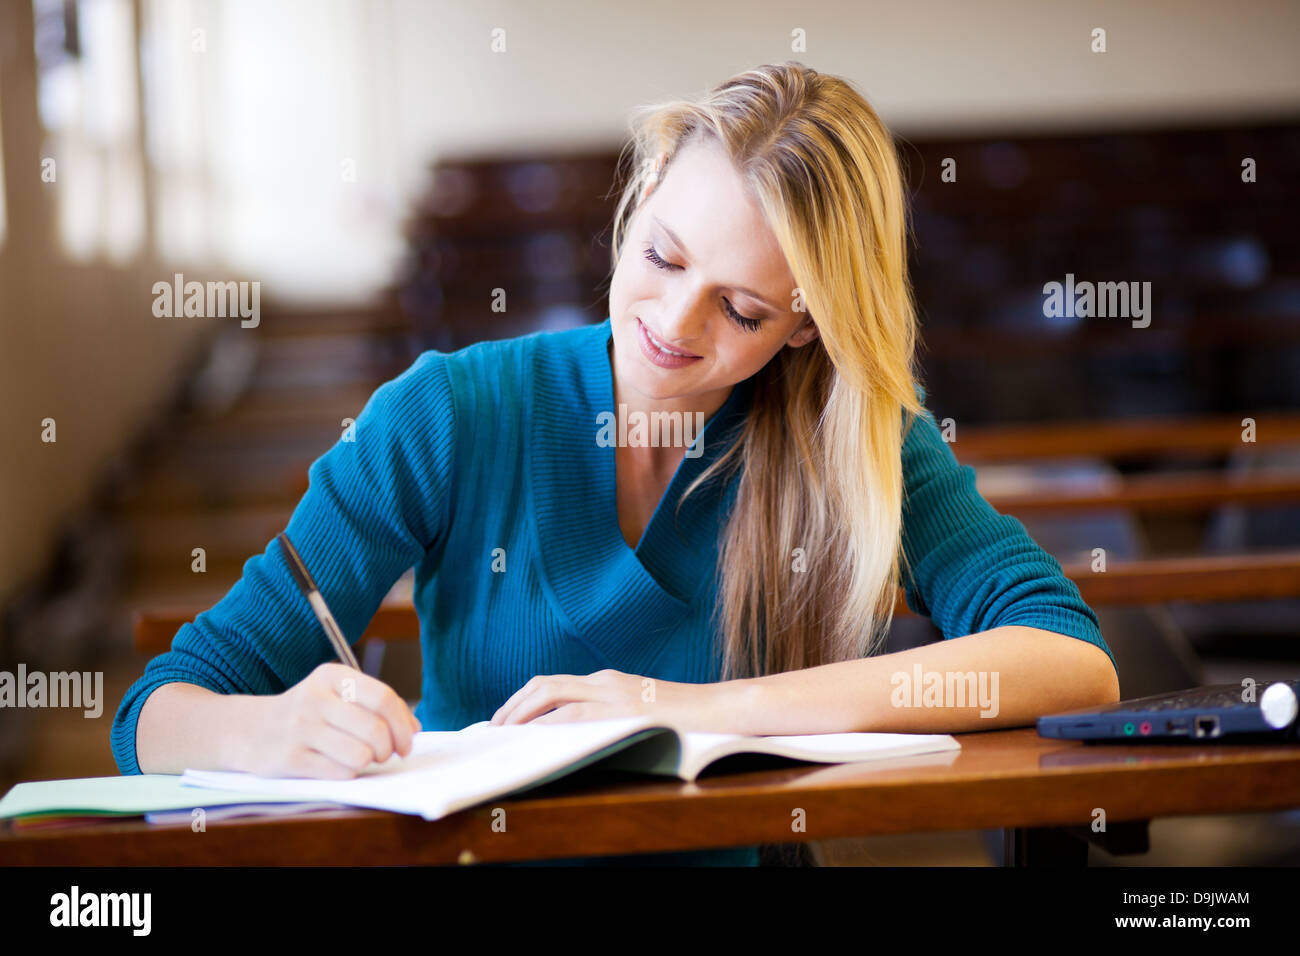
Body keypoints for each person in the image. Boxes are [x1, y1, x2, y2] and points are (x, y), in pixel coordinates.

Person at [111, 61, 1119, 866]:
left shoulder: (849, 436)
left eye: (742, 308)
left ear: (807, 325)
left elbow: (1069, 654)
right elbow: (159, 712)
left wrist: (691, 709)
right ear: (636, 204)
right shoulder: (448, 413)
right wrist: (263, 731)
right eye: (664, 256)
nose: (672, 326)